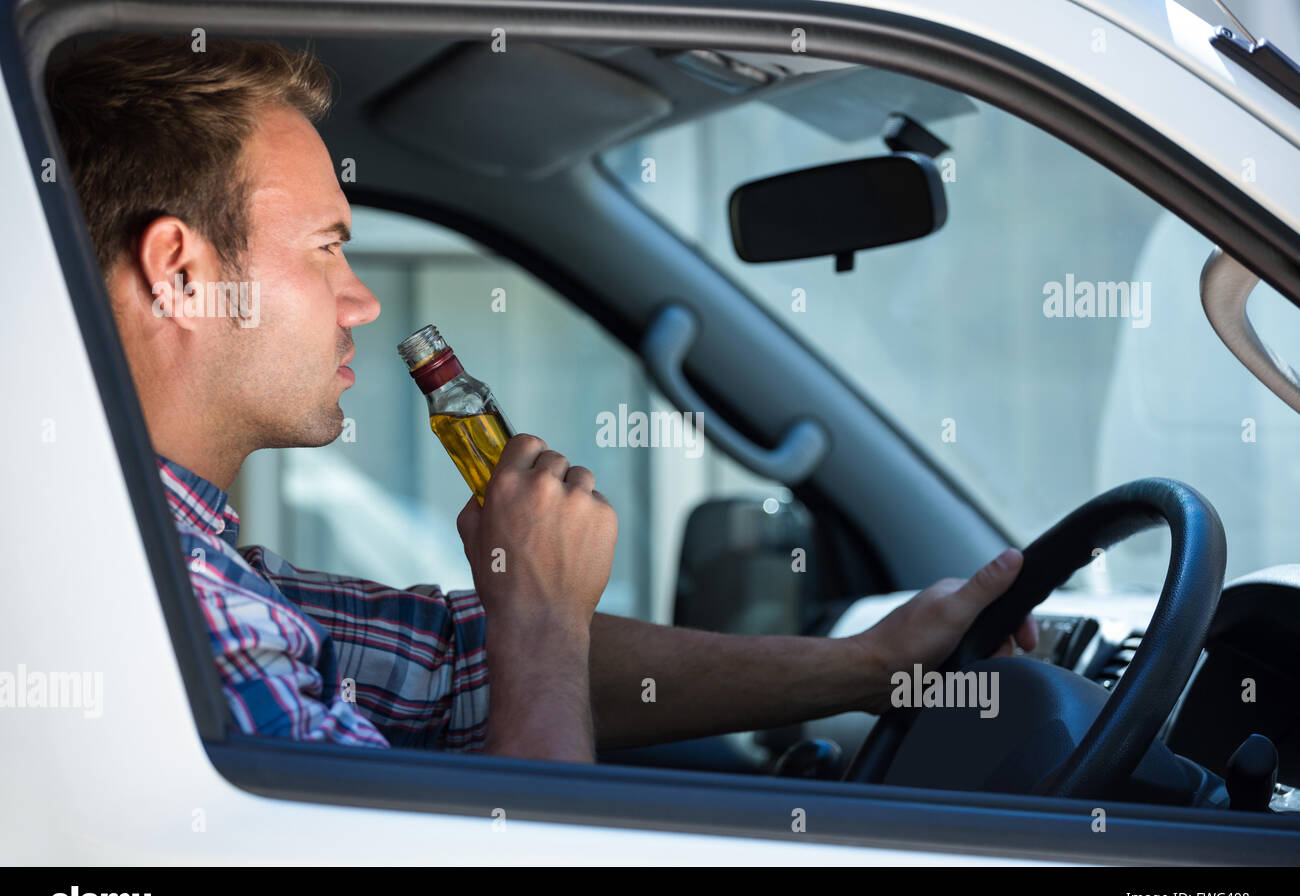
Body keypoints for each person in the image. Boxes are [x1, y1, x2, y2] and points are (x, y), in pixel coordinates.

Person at [47, 34, 1036, 763]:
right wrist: (543, 618)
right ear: (179, 271)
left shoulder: (192, 571)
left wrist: (868, 662)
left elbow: (448, 662)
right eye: (327, 248)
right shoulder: (190, 621)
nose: (362, 297)